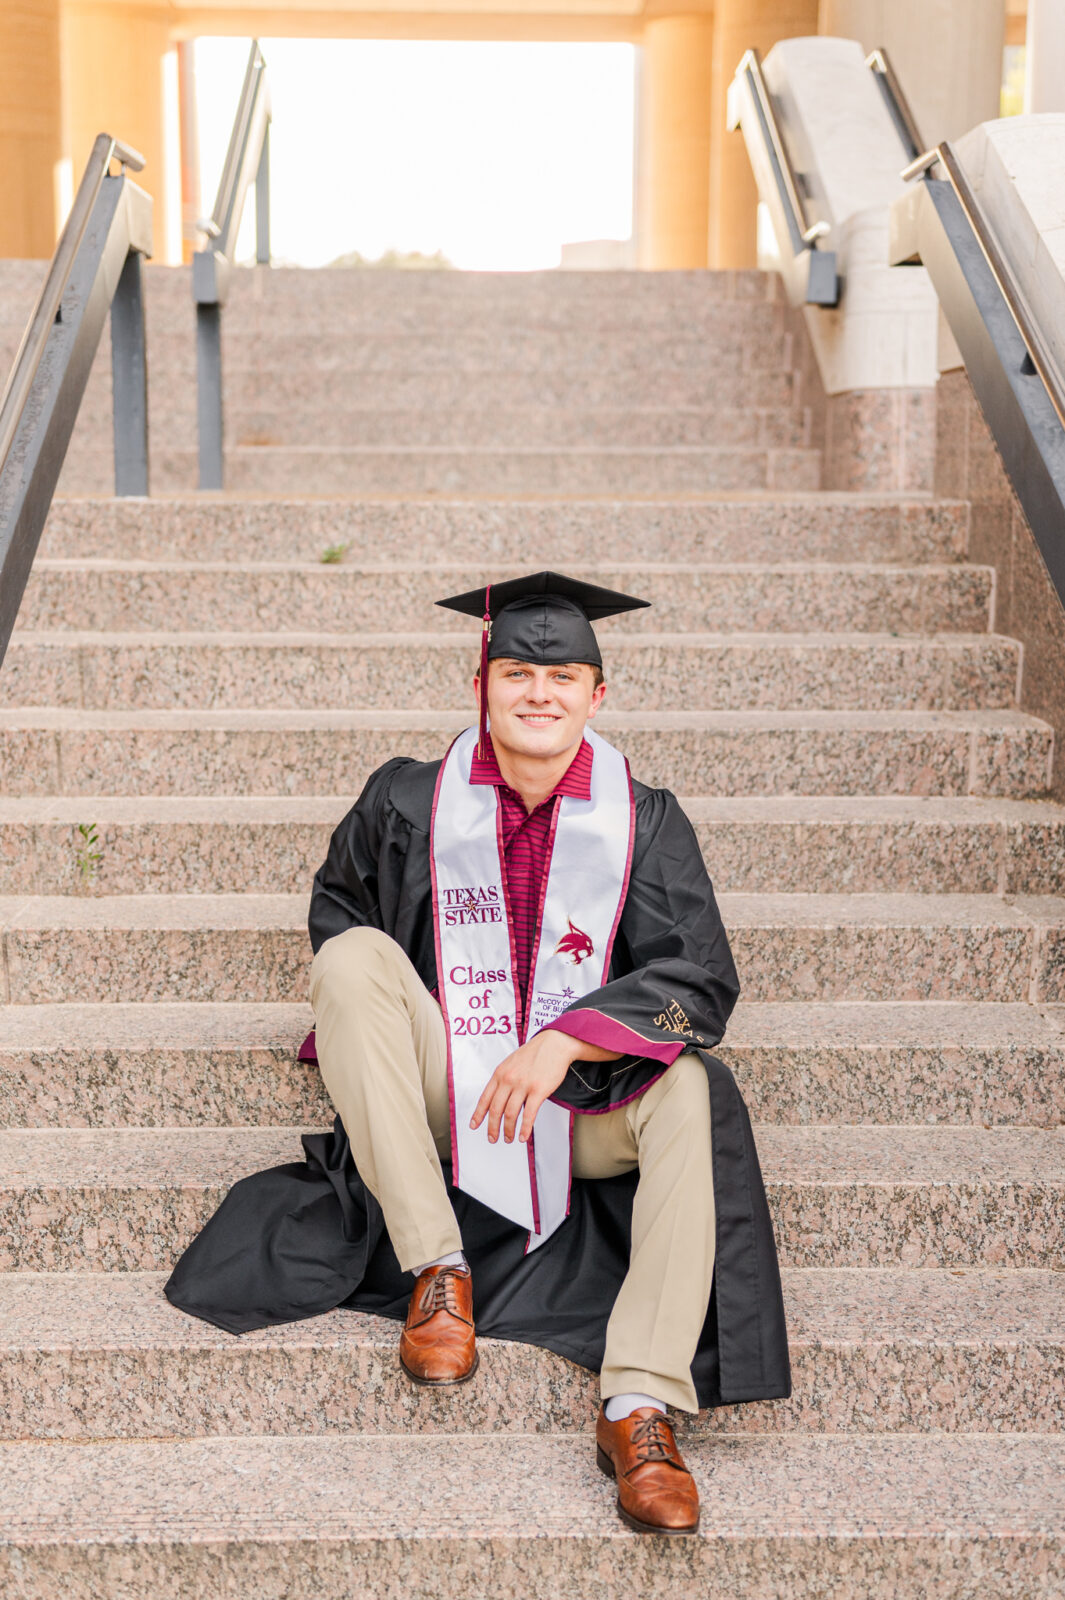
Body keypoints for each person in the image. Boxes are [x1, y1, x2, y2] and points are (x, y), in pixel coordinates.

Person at [165, 570, 790, 1536]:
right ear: (481, 685)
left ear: (596, 695)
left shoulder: (644, 820)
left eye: (563, 677)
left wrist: (565, 1040)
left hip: (578, 1105)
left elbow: (700, 979)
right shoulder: (408, 799)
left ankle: (638, 1402)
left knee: (696, 1089)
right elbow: (341, 920)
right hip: (443, 1090)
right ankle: (438, 1269)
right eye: (517, 674)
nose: (540, 693)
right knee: (351, 958)